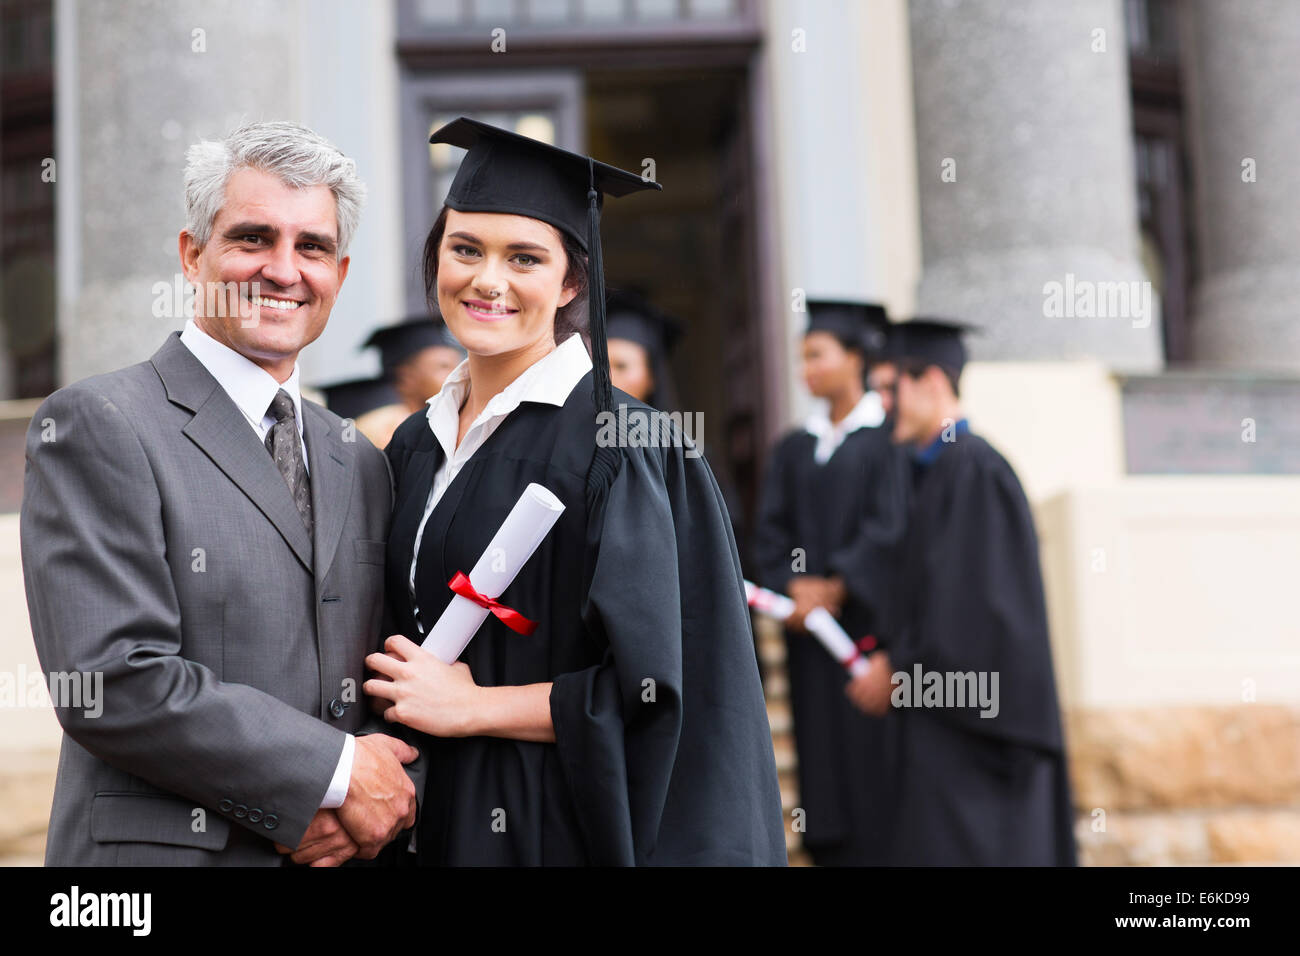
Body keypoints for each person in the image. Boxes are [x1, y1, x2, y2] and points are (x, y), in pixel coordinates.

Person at [364, 116, 787, 865]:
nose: (487, 280)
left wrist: (473, 706)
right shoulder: (413, 443)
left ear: (570, 282)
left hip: (558, 824)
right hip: (429, 817)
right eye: (465, 250)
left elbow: (659, 687)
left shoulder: (631, 446)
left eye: (524, 257)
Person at [21, 121, 421, 866]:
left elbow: (395, 675)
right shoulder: (99, 424)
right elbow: (110, 680)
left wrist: (389, 790)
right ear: (191, 253)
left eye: (312, 248)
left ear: (339, 270)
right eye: (253, 238)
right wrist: (326, 777)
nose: (283, 270)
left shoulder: (359, 459)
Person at [846, 318, 1077, 866]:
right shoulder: (938, 471)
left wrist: (899, 670)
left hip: (977, 747)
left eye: (888, 388)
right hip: (945, 731)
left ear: (932, 383)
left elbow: (976, 615)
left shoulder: (974, 470)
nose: (882, 406)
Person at [754, 300, 910, 865]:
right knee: (820, 762)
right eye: (801, 358)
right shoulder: (794, 447)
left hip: (865, 635)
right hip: (809, 639)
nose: (805, 370)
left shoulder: (887, 441)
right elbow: (769, 533)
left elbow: (889, 528)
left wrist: (840, 584)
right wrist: (795, 586)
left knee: (869, 765)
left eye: (817, 355)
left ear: (855, 359)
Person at [353, 318, 466, 448]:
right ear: (406, 378)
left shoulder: (447, 425)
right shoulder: (384, 432)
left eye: (458, 365)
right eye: (444, 367)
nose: (458, 374)